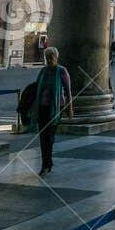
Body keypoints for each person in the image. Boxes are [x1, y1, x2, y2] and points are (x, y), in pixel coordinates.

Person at [32, 47, 73, 175]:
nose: (49, 60)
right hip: (42, 107)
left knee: (49, 137)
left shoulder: (62, 71)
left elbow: (68, 91)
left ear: (56, 57)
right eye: (47, 58)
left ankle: (47, 163)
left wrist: (70, 108)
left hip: (55, 108)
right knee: (43, 136)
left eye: (51, 57)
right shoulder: (43, 71)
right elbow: (37, 88)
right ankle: (46, 163)